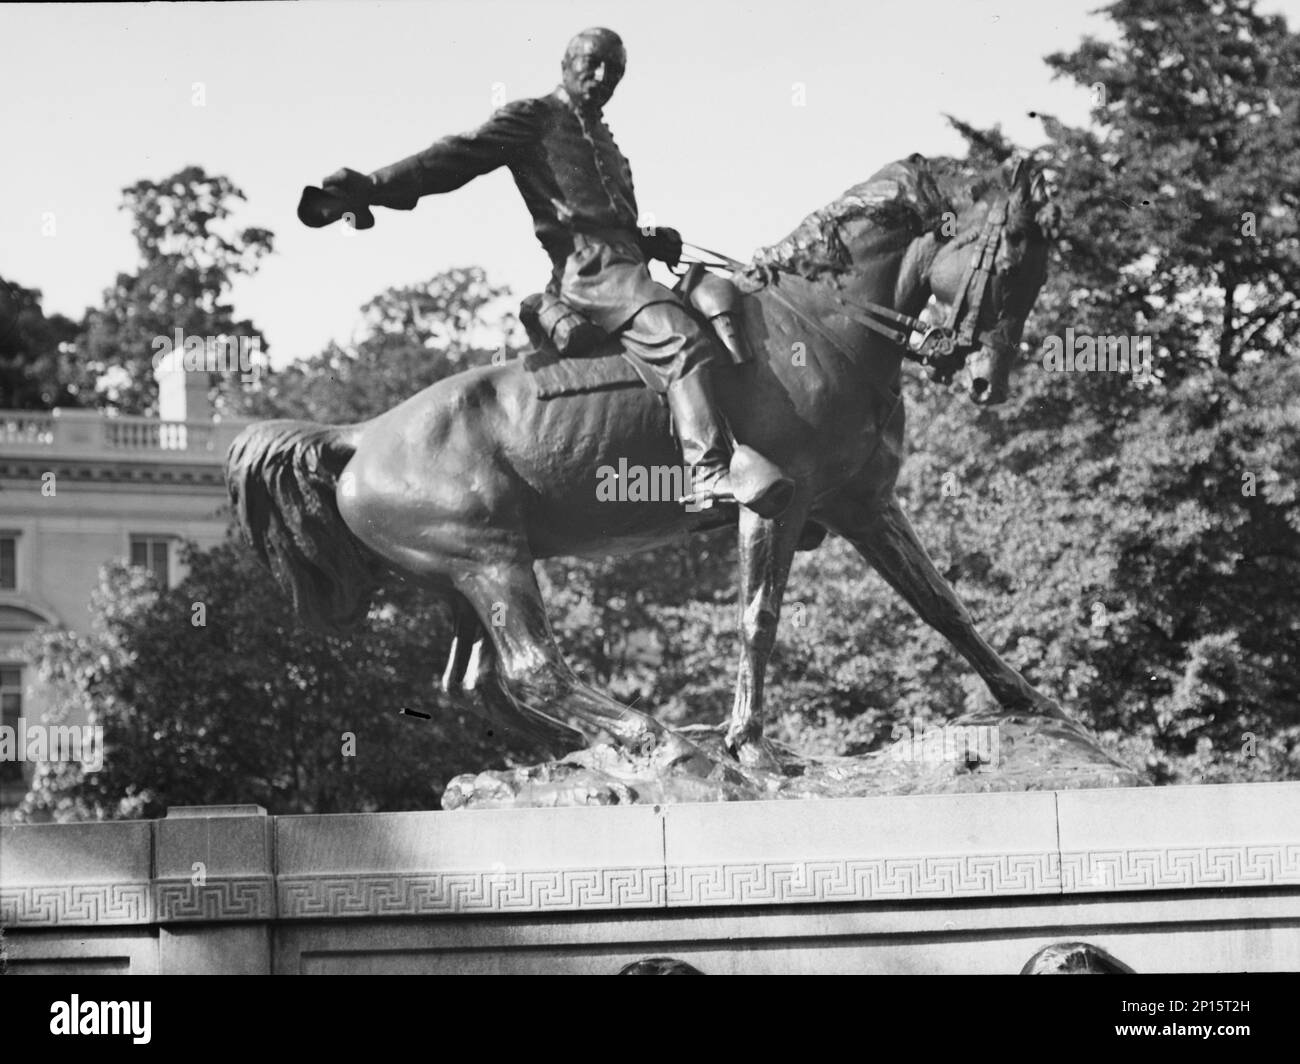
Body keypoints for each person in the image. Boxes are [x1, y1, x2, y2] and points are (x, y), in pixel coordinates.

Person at [315, 27, 793, 516]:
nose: (603, 76)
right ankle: (706, 474)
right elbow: (456, 156)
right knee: (679, 338)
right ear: (566, 64)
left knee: (723, 316)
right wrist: (374, 186)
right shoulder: (535, 118)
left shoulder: (605, 140)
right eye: (592, 62)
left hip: (626, 269)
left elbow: (611, 222)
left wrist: (650, 240)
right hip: (590, 275)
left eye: (615, 70)